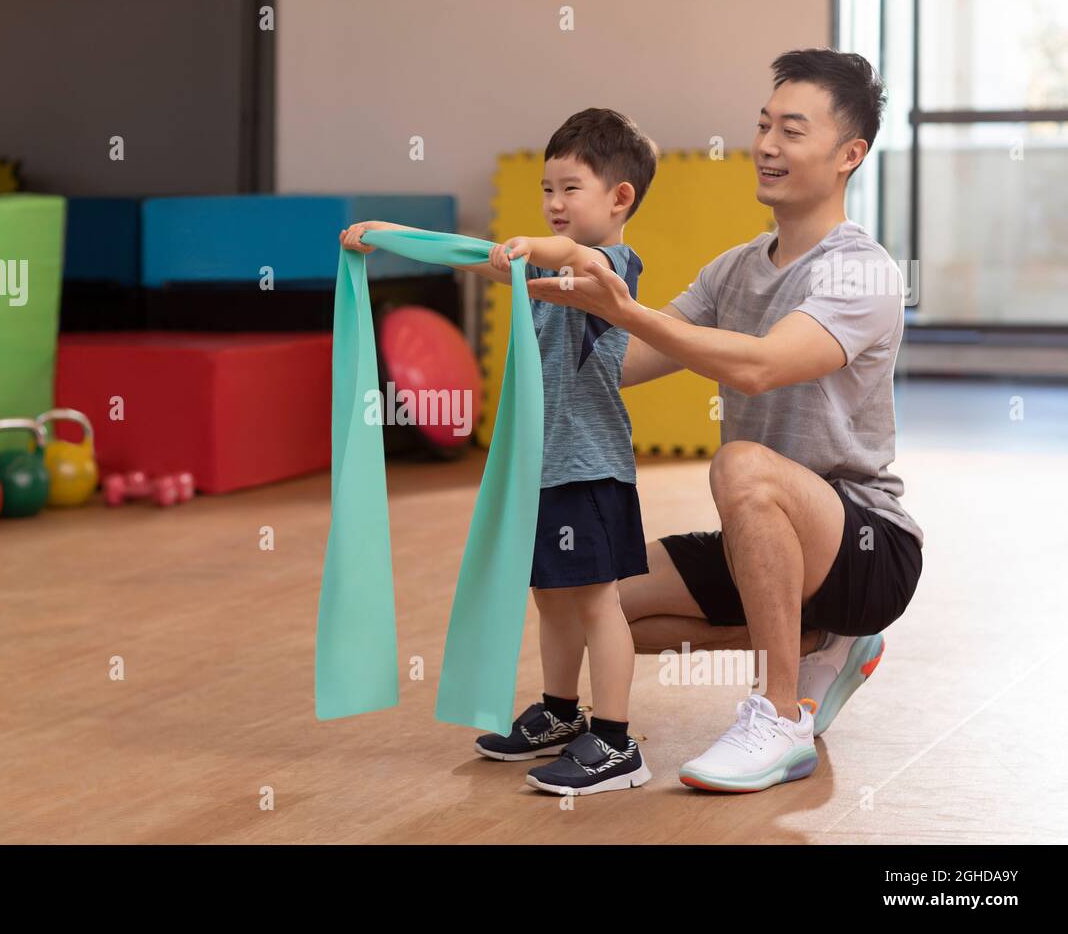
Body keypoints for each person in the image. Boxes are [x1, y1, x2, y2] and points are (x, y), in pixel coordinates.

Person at [527, 49, 923, 793]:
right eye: (763, 125)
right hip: (760, 538)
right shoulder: (734, 268)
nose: (767, 145)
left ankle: (780, 715)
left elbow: (761, 365)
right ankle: (818, 642)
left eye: (792, 131)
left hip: (864, 544)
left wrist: (624, 307)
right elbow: (622, 362)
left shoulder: (861, 270)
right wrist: (549, 295)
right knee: (595, 601)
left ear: (849, 155)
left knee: (739, 462)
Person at [342, 107, 661, 795]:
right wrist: (392, 237)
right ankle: (559, 712)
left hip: (590, 469)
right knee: (549, 595)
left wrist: (529, 248)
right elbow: (485, 261)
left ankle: (614, 744)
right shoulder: (538, 272)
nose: (553, 203)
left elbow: (573, 258)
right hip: (541, 470)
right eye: (547, 189)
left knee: (597, 600)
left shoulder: (609, 268)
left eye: (569, 188)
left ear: (619, 197)